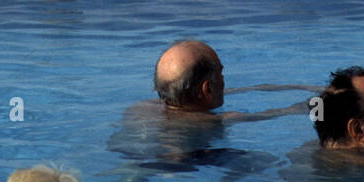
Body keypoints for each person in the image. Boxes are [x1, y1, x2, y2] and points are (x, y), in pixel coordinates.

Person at [124, 40, 311, 124]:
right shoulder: (217, 120)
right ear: (206, 90)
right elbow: (289, 110)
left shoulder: (141, 109)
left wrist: (263, 88)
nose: (224, 81)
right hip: (192, 162)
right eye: (220, 74)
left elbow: (213, 92)